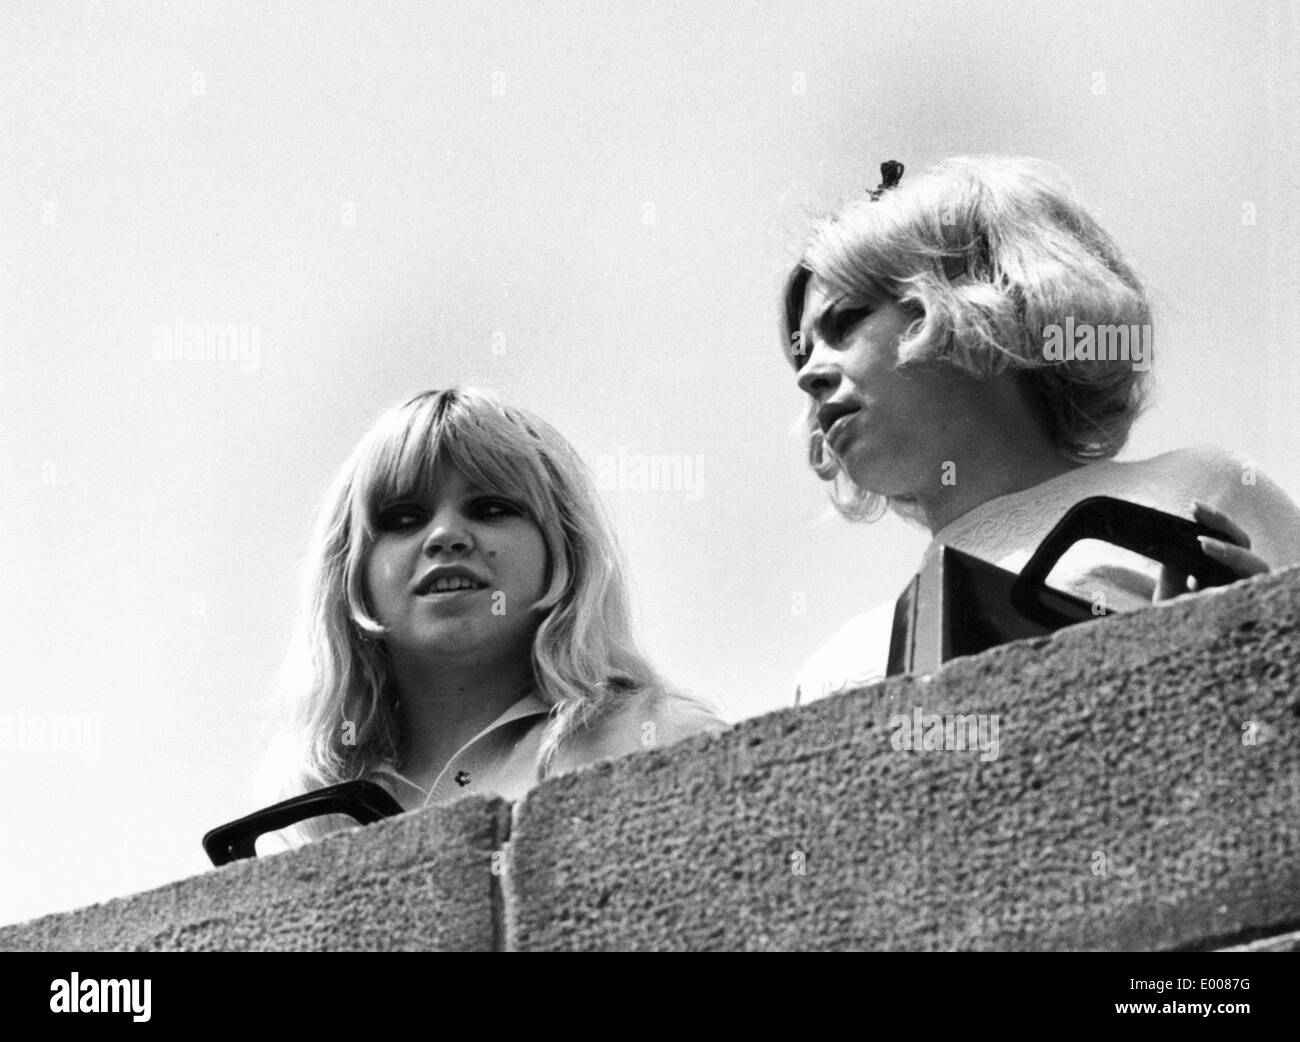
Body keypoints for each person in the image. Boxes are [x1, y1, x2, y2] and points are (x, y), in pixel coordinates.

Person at [781, 155, 1300, 704]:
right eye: (804, 351)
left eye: (846, 324)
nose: (810, 373)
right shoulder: (831, 672)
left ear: (978, 306)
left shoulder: (1196, 490)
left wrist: (1250, 666)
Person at [258, 387, 726, 840]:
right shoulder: (306, 821)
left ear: (563, 548)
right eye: (402, 518)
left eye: (491, 508)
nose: (445, 536)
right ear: (350, 571)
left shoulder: (660, 744)